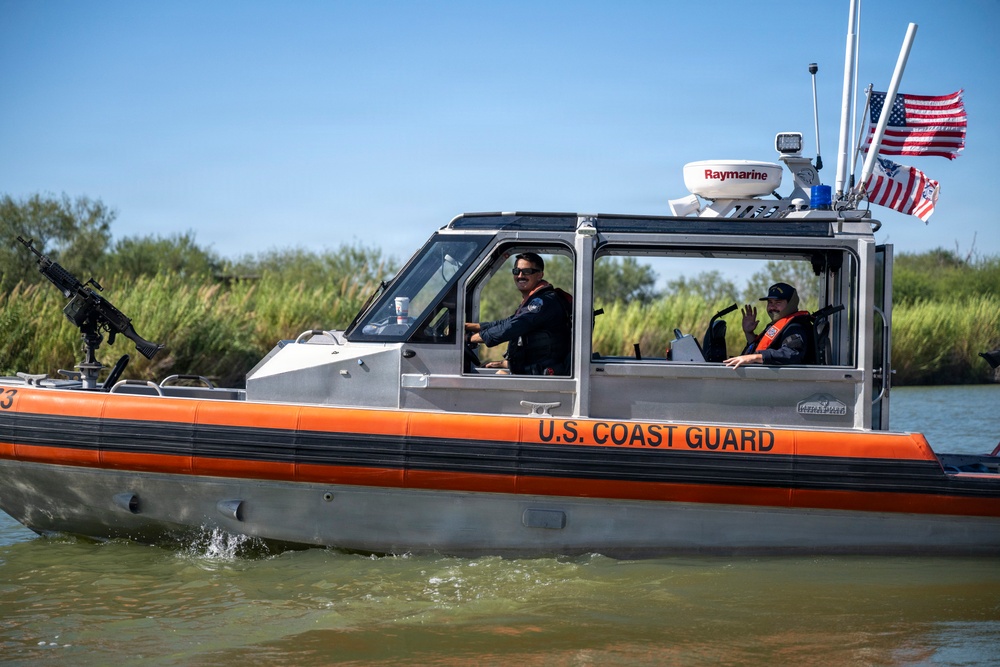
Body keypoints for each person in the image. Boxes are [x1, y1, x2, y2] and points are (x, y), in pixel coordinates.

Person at [465, 252, 572, 375]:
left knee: (496, 378)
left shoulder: (542, 302)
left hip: (544, 376)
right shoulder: (535, 299)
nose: (520, 276)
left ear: (539, 275)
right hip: (536, 369)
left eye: (526, 271)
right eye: (516, 271)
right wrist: (469, 326)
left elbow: (513, 327)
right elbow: (507, 322)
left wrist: (470, 338)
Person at [724, 282, 814, 368]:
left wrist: (754, 357)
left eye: (778, 302)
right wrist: (749, 333)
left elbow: (791, 354)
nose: (772, 307)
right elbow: (763, 349)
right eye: (770, 302)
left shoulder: (795, 327)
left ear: (791, 303)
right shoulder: (780, 325)